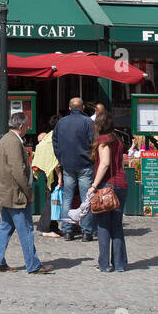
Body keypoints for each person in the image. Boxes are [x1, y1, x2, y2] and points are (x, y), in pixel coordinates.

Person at [0, 110, 52, 274]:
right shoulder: (13, 141)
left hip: (8, 192)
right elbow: (18, 170)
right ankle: (33, 265)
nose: (27, 128)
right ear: (21, 125)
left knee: (6, 227)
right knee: (25, 229)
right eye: (26, 125)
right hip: (15, 194)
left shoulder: (7, 139)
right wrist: (28, 191)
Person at [89, 109, 128, 272]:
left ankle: (104, 264)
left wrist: (93, 185)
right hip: (122, 184)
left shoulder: (103, 141)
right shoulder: (118, 140)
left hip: (107, 185)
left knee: (103, 226)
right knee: (117, 225)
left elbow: (104, 164)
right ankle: (119, 264)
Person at [54, 97, 96, 242]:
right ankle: (86, 232)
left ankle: (67, 231)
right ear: (83, 108)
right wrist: (91, 157)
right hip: (84, 164)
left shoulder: (61, 122)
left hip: (68, 164)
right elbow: (93, 142)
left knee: (67, 198)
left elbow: (55, 142)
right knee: (86, 198)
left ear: (70, 108)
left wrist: (61, 158)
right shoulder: (88, 122)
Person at [32, 116, 62, 237]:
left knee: (54, 198)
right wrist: (60, 176)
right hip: (52, 171)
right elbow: (54, 160)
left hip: (47, 170)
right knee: (52, 199)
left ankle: (53, 226)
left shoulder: (49, 136)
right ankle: (45, 228)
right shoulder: (55, 138)